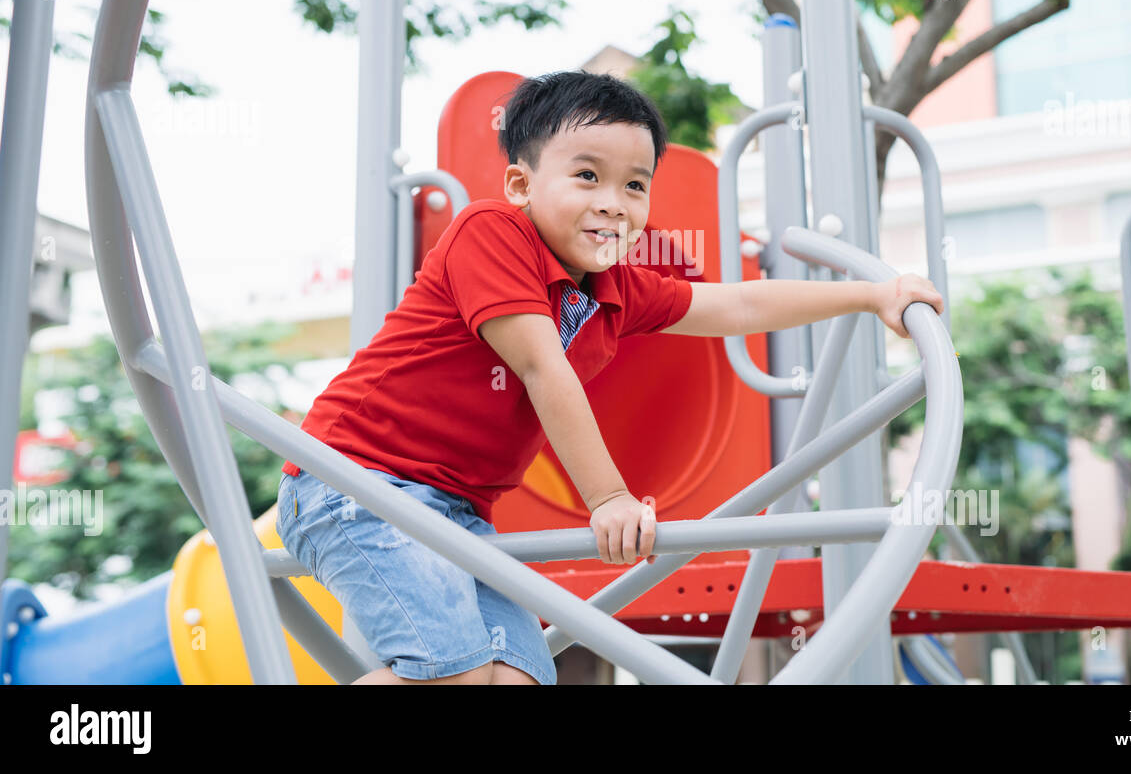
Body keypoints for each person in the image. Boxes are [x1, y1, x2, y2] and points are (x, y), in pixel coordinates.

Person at [276, 70, 944, 686]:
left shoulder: (613, 289)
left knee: (517, 678)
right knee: (452, 673)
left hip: (457, 514)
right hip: (356, 484)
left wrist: (867, 296)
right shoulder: (491, 234)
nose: (614, 203)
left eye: (634, 184)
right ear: (520, 187)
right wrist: (608, 498)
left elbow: (734, 304)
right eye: (587, 176)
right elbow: (541, 366)